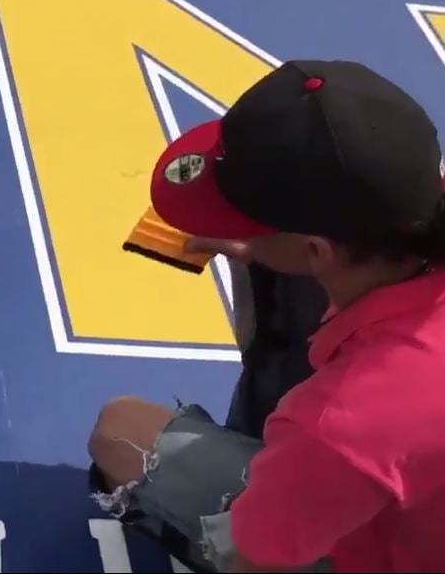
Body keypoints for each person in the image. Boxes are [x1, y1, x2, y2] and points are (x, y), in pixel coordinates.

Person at [86, 60, 445, 572]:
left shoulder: (338, 422)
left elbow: (256, 560)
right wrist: (265, 246)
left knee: (119, 432)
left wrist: (293, 478)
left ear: (315, 250)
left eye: (248, 223)